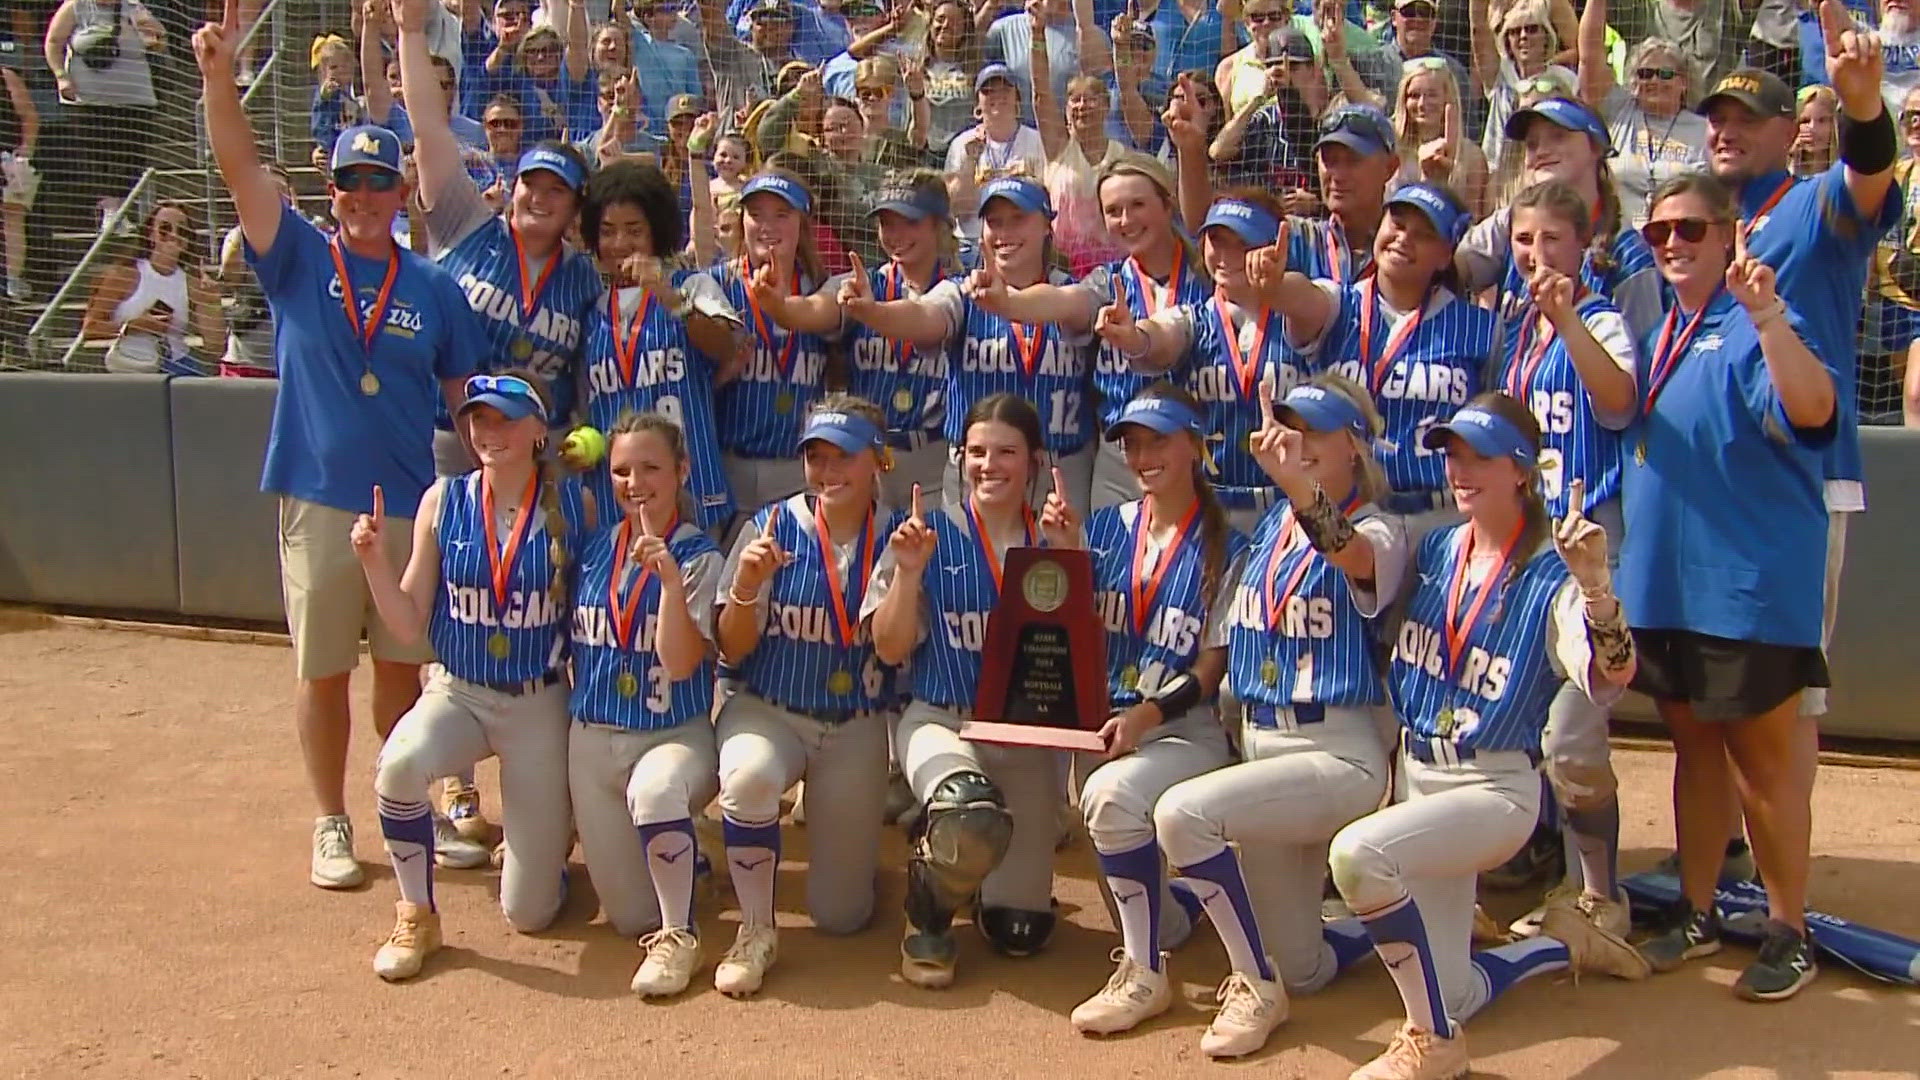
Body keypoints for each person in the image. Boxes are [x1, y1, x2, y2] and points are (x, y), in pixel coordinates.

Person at [195, 0, 485, 890]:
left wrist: (485, 498)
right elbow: (241, 167)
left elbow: (465, 404)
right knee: (323, 672)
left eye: (380, 185)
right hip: (319, 493)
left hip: (404, 501)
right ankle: (331, 822)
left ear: (402, 195)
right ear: (332, 195)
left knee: (403, 673)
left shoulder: (433, 288)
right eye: (350, 186)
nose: (364, 200)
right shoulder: (297, 259)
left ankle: (400, 803)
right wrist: (218, 79)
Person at [1330, 393, 1647, 1080]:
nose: (1460, 468)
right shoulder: (1439, 547)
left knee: (1358, 857)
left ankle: (1432, 1046)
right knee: (1454, 989)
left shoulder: (1553, 573)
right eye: (1454, 454)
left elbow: (1614, 670)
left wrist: (1597, 590)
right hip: (1420, 778)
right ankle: (1562, 945)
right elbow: (1352, 559)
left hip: (1492, 788)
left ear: (1523, 470)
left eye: (1480, 455)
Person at [1624, 172, 1840, 1002]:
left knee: (1762, 766)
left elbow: (1815, 409)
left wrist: (1767, 314)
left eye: (1690, 230)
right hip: (1666, 589)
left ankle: (1789, 928)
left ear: (1728, 236)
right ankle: (1700, 906)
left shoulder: (1757, 320)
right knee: (1694, 753)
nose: (1673, 244)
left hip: (1746, 588)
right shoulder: (1655, 326)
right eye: (1659, 233)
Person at [1692, 17, 1899, 884]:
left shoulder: (1812, 204)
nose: (1726, 130)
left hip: (1805, 476)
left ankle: (1788, 897)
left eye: (1747, 118)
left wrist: (1861, 106)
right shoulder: (1702, 224)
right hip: (1724, 483)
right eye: (1717, 119)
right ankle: (1733, 850)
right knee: (1728, 687)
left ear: (1790, 133)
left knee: (1784, 695)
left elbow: (1868, 180)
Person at [1150, 376, 1404, 1058]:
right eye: (1290, 427)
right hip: (1263, 746)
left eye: (1316, 430)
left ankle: (1252, 984)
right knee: (1306, 968)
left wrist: (1296, 485)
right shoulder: (1268, 531)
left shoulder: (1382, 527)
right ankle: (1385, 929)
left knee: (1183, 816)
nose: (1298, 442)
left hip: (1334, 752)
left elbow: (1349, 551)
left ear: (1355, 445)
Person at [351, 372, 589, 980]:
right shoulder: (444, 499)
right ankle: (417, 912)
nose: (489, 431)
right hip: (459, 689)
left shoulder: (573, 506)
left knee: (530, 913)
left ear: (539, 430)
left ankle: (548, 843)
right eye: (479, 419)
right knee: (399, 768)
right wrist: (374, 563)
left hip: (538, 700)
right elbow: (406, 625)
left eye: (506, 419)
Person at [1061, 383, 1249, 1036]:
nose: (1142, 456)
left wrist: (1147, 714)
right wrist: (1065, 563)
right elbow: (1072, 634)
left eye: (1157, 441)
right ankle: (1182, 912)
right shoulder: (1107, 528)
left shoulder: (1230, 542)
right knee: (1161, 910)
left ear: (1195, 446)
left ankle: (1143, 974)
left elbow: (1213, 665)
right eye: (1132, 444)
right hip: (1106, 727)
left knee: (1112, 800)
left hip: (1182, 730)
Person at [865, 392, 1065, 988]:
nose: (989, 465)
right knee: (966, 812)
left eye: (1006, 452)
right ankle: (926, 912)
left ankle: (971, 870)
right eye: (976, 451)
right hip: (942, 718)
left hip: (1024, 736)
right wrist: (908, 572)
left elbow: (1082, 657)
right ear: (958, 458)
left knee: (1018, 931)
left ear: (1033, 461)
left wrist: (1070, 556)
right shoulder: (927, 535)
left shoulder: (1054, 537)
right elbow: (890, 648)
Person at [710, 397, 907, 997]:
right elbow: (734, 647)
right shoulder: (769, 526)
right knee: (747, 780)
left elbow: (893, 650)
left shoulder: (902, 535)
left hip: (856, 721)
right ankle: (754, 927)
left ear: (878, 460)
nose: (827, 472)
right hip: (769, 707)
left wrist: (912, 573)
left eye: (843, 457)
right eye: (815, 457)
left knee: (842, 917)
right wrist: (745, 585)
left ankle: (850, 845)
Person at [1491, 178, 1643, 939]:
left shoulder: (1602, 319)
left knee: (1574, 736)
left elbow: (1617, 402)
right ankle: (1551, 874)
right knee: (1527, 721)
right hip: (1528, 547)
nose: (1537, 253)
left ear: (1584, 244)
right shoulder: (1515, 325)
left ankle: (1600, 897)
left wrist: (1568, 319)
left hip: (1589, 547)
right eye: (1524, 239)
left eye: (1553, 238)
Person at [398, 0, 604, 479]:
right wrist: (410, 32)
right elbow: (429, 130)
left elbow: (585, 380)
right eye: (533, 184)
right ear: (515, 187)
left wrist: (580, 436)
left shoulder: (584, 279)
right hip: (444, 439)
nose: (541, 198)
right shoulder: (466, 223)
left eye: (558, 191)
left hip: (535, 451)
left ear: (576, 208)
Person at [568, 410, 726, 998]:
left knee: (657, 794)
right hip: (591, 738)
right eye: (621, 471)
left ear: (682, 471)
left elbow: (682, 663)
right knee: (629, 916)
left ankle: (680, 936)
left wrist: (666, 586)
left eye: (651, 468)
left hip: (671, 734)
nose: (635, 484)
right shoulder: (590, 549)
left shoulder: (700, 557)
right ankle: (697, 852)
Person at [837, 175, 1099, 519]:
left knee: (1055, 572)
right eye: (994, 222)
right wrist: (873, 312)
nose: (1004, 233)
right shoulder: (962, 292)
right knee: (970, 569)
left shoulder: (1079, 290)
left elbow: (1067, 305)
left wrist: (1009, 304)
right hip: (978, 471)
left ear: (1048, 225)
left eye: (1018, 219)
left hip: (1059, 468)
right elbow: (924, 315)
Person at [1253, 181, 1491, 539]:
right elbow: (1303, 297)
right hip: (1345, 509)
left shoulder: (1480, 328)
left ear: (1445, 255)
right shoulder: (1340, 305)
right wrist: (1274, 288)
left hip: (1438, 516)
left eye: (1423, 234)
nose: (1403, 239)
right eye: (1396, 224)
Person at [742, 170, 960, 509]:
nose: (896, 234)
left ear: (938, 225)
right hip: (863, 457)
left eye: (910, 222)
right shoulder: (860, 283)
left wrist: (872, 312)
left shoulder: (958, 291)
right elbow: (819, 309)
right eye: (887, 222)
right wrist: (781, 307)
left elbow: (922, 318)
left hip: (932, 458)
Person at [1093, 190, 1301, 532]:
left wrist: (1276, 288)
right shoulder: (1196, 319)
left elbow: (1314, 301)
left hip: (1286, 503)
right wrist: (1134, 338)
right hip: (1209, 507)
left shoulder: (1297, 318)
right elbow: (1163, 335)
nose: (1225, 255)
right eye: (1216, 240)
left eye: (1242, 242)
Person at [567, 155, 745, 535]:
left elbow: (726, 347)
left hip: (693, 491)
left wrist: (668, 296)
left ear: (656, 232)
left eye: (634, 230)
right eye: (608, 231)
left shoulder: (692, 285)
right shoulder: (591, 312)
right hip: (620, 498)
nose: (620, 243)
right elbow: (587, 402)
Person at [1459, 96, 1663, 346]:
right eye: (1532, 145)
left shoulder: (1628, 251)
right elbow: (1448, 272)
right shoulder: (1509, 224)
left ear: (1596, 148)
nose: (1542, 151)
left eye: (1558, 136)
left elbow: (1645, 356)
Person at [707, 171, 837, 533]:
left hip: (796, 471)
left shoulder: (824, 289)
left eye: (782, 214)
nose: (767, 225)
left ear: (803, 223)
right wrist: (721, 376)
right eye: (756, 214)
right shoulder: (714, 286)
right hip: (729, 467)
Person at [1081, 155, 1210, 510]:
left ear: (1168, 204)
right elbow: (1063, 300)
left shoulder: (1209, 276)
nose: (1126, 220)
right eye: (1113, 210)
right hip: (1118, 458)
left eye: (1138, 205)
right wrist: (1008, 302)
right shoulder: (1109, 282)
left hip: (1189, 454)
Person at [1576, 0, 1707, 227]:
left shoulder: (1705, 129)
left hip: (1679, 238)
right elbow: (1589, 57)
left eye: (1665, 74)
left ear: (1684, 82)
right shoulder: (1619, 109)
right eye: (1645, 73)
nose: (1654, 80)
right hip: (1618, 239)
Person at [44, 0, 164, 232]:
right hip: (89, 99)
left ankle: (120, 210)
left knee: (131, 155)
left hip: (134, 98)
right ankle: (110, 210)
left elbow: (158, 43)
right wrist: (61, 76)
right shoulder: (76, 6)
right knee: (98, 154)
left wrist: (149, 30)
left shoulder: (133, 6)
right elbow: (53, 41)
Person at [85, 201, 224, 375]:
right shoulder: (125, 275)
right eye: (165, 229)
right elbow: (90, 328)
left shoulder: (192, 283)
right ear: (151, 235)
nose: (174, 235)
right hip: (132, 366)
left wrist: (213, 303)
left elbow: (215, 348)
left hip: (177, 365)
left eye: (182, 231)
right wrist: (134, 326)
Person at [945, 64, 1048, 248]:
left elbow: (1045, 201)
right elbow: (958, 209)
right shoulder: (961, 144)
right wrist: (971, 162)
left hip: (1022, 242)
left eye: (1005, 89)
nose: (997, 95)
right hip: (971, 243)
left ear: (1017, 98)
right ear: (977, 104)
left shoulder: (1037, 141)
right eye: (988, 91)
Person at [1469, 0, 1575, 176]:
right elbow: (1478, 28)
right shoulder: (1498, 73)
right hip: (1499, 176)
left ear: (1546, 36)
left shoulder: (1565, 79)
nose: (1523, 36)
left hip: (1548, 171)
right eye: (1515, 32)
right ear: (1507, 41)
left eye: (1532, 29)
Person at [1392, 58, 1490, 218]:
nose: (1422, 103)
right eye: (1414, 95)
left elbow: (1474, 219)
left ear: (1448, 98)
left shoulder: (1472, 156)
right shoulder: (1392, 148)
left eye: (1432, 95)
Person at [1790, 84, 1840, 178]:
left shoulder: (1846, 171)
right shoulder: (1782, 169)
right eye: (1805, 121)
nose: (1812, 128)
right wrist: (1794, 161)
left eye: (1822, 120)